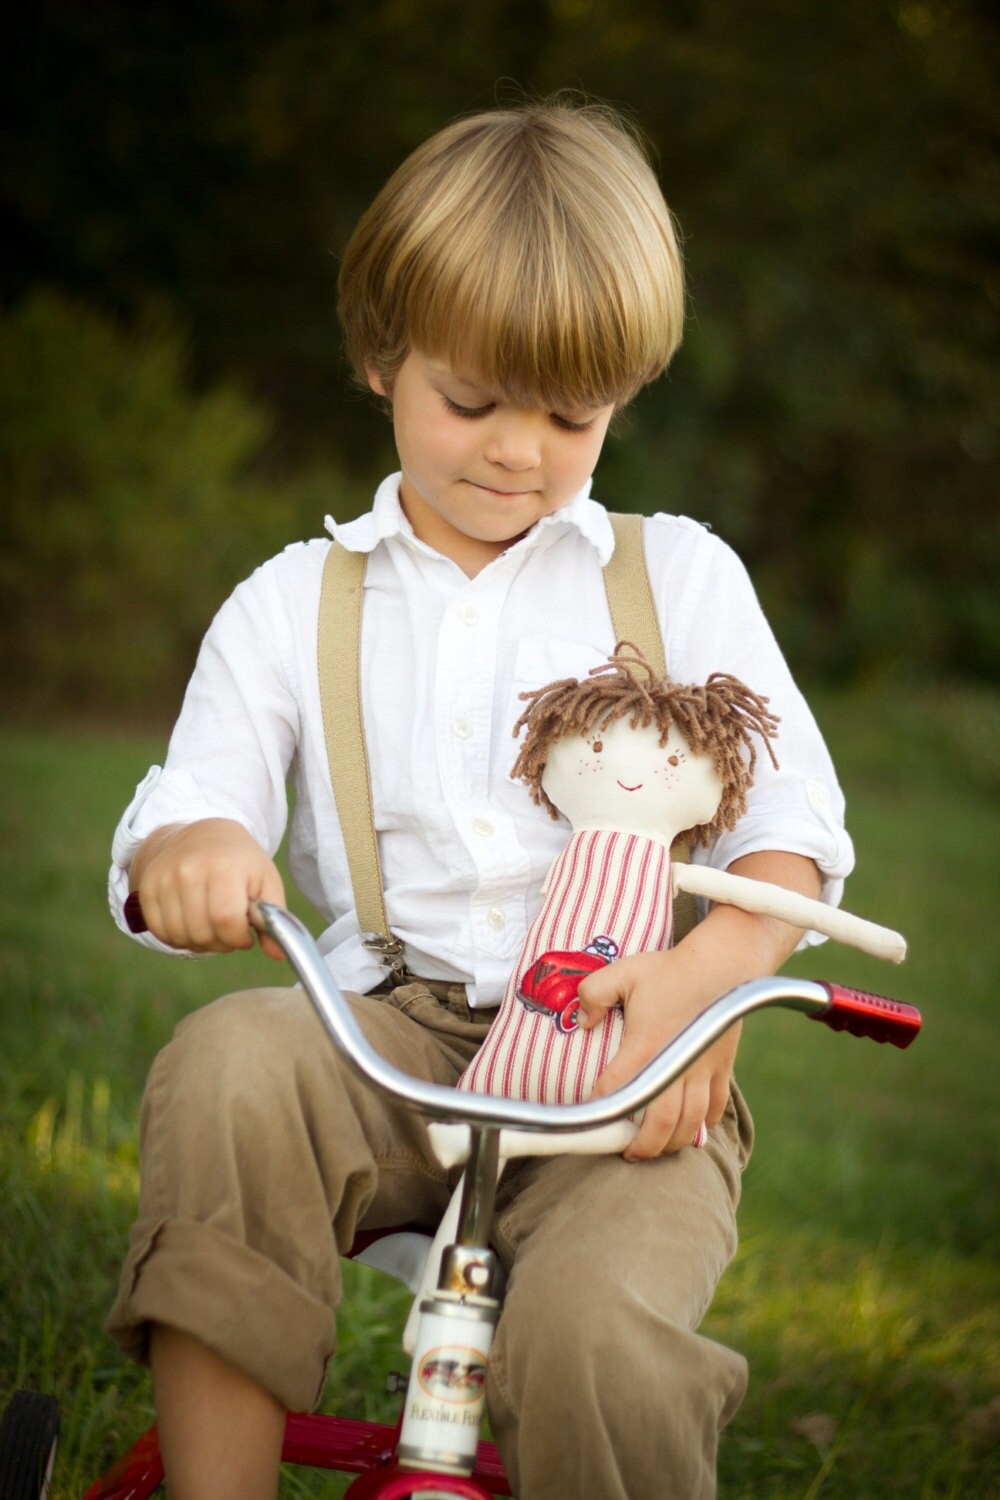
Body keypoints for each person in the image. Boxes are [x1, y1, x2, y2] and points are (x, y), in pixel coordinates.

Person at [106, 97, 854, 1500]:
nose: (518, 450)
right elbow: (195, 798)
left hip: (627, 1067)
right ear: (381, 356)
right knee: (229, 1065)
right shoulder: (293, 606)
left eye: (571, 415)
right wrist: (194, 844)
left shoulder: (677, 578)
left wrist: (709, 979)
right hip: (383, 1037)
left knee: (598, 1343)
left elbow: (793, 836)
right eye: (473, 402)